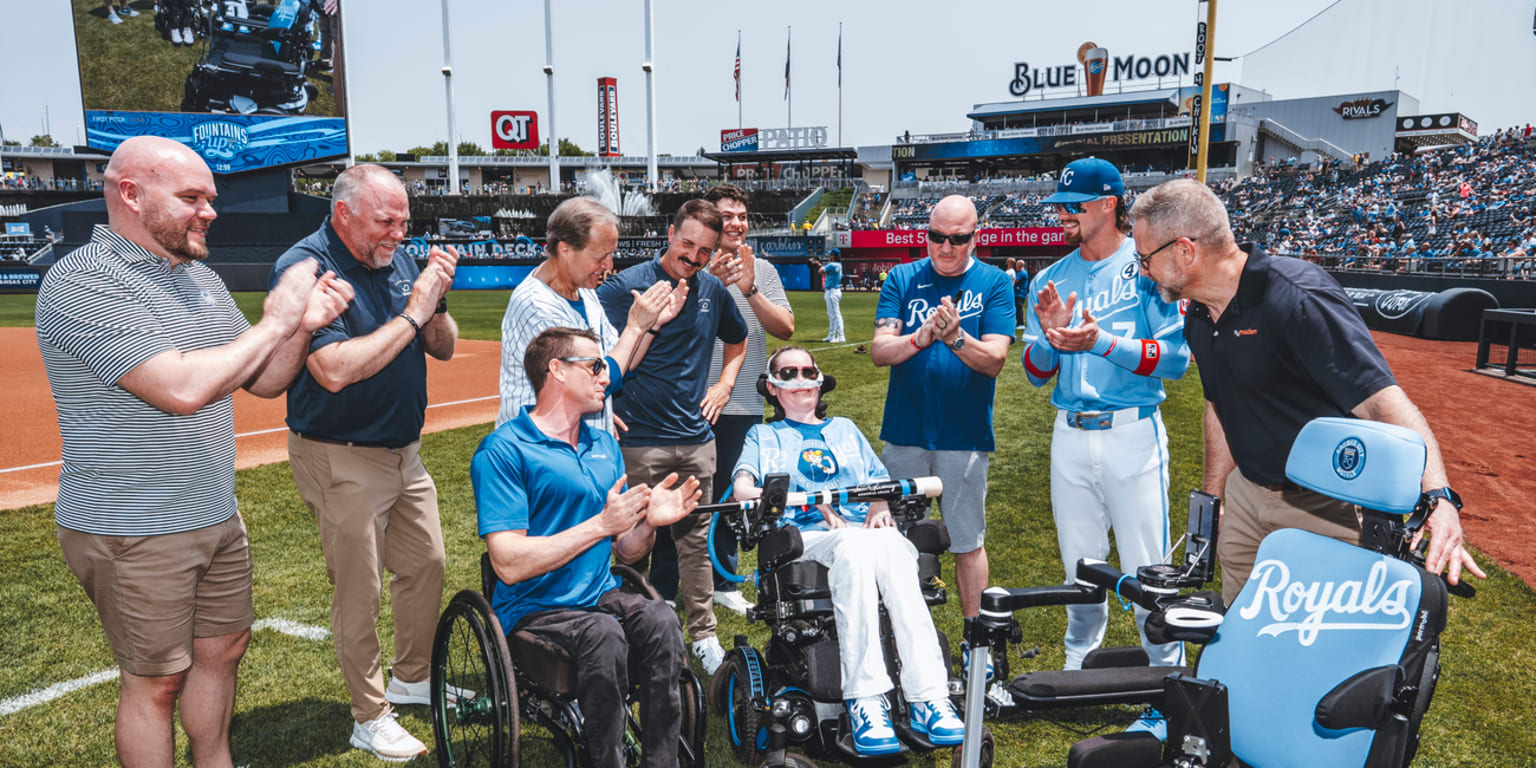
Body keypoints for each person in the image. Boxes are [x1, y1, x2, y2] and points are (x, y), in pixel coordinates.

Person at [36, 135, 352, 768]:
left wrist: (300, 327)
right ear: (130, 193)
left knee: (224, 649)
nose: (210, 211)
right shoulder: (83, 282)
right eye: (191, 198)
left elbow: (263, 379)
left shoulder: (200, 279)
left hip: (213, 513)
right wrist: (274, 320)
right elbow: (179, 389)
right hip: (133, 523)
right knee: (155, 681)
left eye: (211, 197)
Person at [1129, 178, 1486, 606]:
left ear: (1186, 251)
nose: (1142, 269)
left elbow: (1382, 401)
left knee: (1319, 647)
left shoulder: (1296, 297)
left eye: (1145, 256)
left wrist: (1438, 498)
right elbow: (1218, 407)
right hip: (1247, 495)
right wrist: (1214, 501)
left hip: (1324, 506)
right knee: (1239, 635)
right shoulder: (1200, 316)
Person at [269, 163, 460, 761]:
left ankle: (411, 677)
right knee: (360, 588)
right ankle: (368, 714)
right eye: (387, 220)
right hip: (340, 453)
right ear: (344, 212)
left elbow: (445, 346)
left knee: (427, 563)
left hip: (405, 451)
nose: (400, 233)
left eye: (404, 219)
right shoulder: (304, 267)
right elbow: (333, 371)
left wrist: (435, 299)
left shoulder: (399, 256)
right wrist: (413, 310)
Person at [472, 327, 701, 768]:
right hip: (537, 607)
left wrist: (649, 524)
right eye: (595, 366)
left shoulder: (604, 445)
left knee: (660, 615)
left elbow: (628, 552)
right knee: (604, 633)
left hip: (598, 596)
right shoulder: (503, 451)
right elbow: (507, 563)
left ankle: (662, 761)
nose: (605, 376)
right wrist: (599, 525)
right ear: (556, 370)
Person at [732, 346, 965, 755]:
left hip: (858, 531)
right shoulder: (763, 436)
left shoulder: (845, 429)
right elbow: (743, 491)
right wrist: (805, 499)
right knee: (856, 546)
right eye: (789, 372)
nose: (800, 377)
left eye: (808, 370)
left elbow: (880, 483)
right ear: (772, 387)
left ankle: (930, 696)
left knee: (894, 544)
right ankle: (866, 699)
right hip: (806, 538)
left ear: (819, 380)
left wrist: (877, 503)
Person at [1021, 157, 1191, 671]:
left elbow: (1177, 360)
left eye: (1075, 206)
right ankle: (1079, 662)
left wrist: (1102, 341)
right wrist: (1053, 335)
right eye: (1060, 206)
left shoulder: (1148, 266)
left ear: (1109, 204)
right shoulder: (1049, 278)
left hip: (1131, 431)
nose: (1063, 215)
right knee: (1080, 568)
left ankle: (1167, 672)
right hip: (1069, 435)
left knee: (1148, 568)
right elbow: (1034, 371)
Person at [597, 199, 748, 674]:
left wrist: (724, 385)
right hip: (640, 440)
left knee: (694, 543)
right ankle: (626, 632)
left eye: (705, 249)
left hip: (696, 440)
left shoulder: (713, 291)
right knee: (630, 542)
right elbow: (598, 355)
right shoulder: (626, 286)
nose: (695, 256)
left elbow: (737, 338)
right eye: (687, 244)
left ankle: (702, 634)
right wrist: (605, 406)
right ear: (669, 233)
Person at [871, 195, 1015, 655]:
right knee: (892, 541)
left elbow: (993, 360)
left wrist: (953, 336)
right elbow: (880, 351)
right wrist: (922, 335)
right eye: (936, 237)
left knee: (967, 541)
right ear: (925, 233)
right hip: (905, 433)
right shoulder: (902, 277)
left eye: (958, 239)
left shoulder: (995, 283)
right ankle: (895, 638)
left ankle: (977, 642)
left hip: (963, 435)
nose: (946, 247)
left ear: (977, 236)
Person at [496, 196, 686, 433]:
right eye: (600, 257)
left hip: (576, 441)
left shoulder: (585, 293)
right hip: (537, 449)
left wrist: (651, 326)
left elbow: (621, 362)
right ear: (565, 249)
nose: (609, 265)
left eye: (611, 254)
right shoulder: (536, 305)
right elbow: (592, 383)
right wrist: (635, 327)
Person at [700, 183, 794, 616]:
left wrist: (751, 288)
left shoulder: (765, 270)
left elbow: (786, 329)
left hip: (742, 402)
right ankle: (673, 580)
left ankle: (723, 580)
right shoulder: (693, 265)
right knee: (689, 493)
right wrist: (707, 283)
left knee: (733, 495)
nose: (736, 223)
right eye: (726, 215)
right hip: (695, 399)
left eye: (741, 215)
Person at [817, 249, 847, 342]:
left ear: (834, 256)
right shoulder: (838, 265)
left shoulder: (832, 265)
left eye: (831, 255)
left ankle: (841, 336)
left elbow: (820, 271)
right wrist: (821, 265)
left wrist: (819, 265)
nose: (830, 256)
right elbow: (826, 271)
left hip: (832, 292)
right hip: (835, 291)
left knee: (835, 314)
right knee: (831, 314)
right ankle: (831, 336)